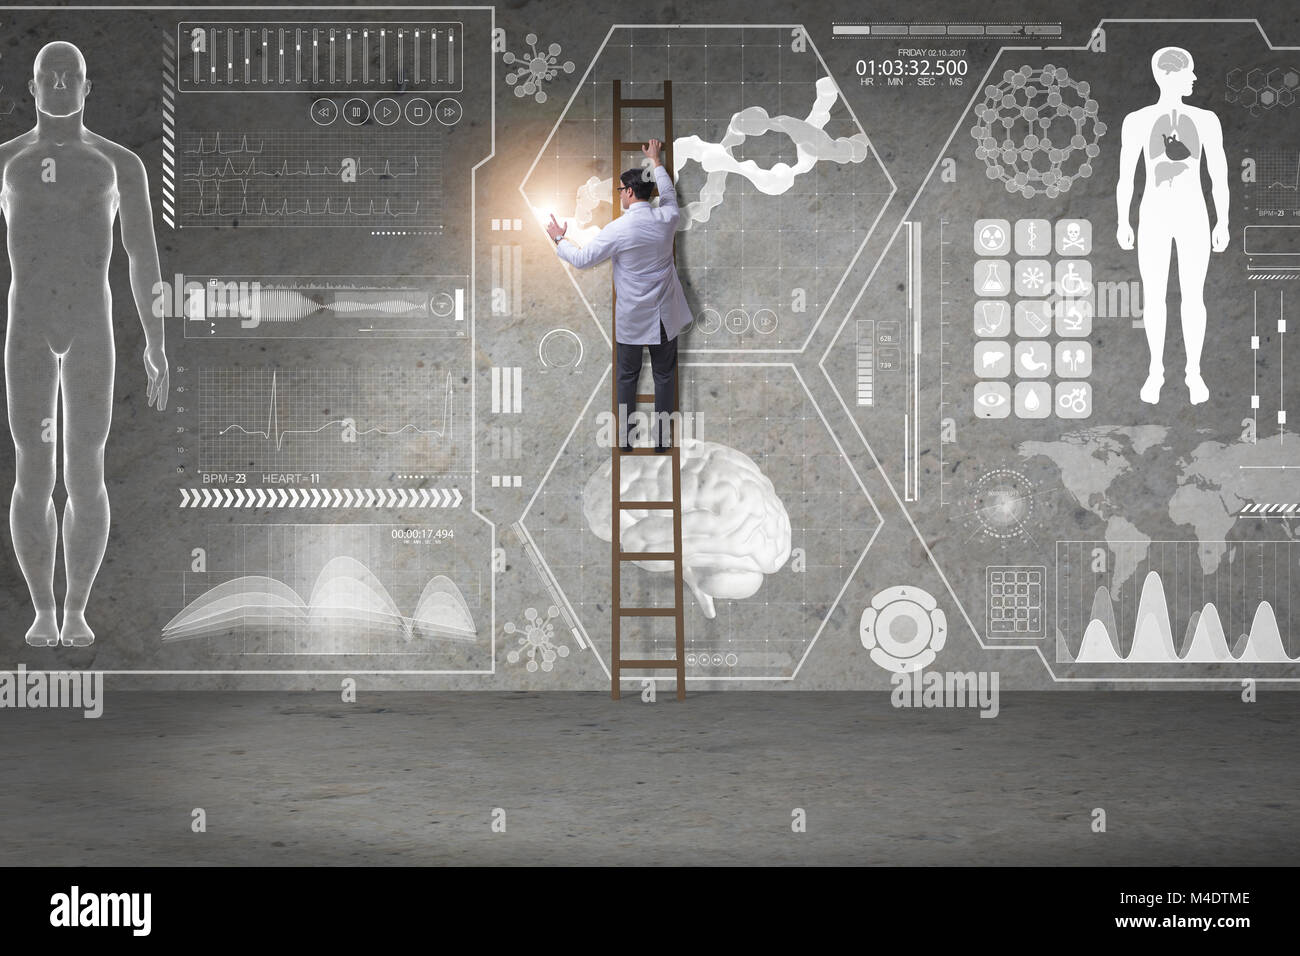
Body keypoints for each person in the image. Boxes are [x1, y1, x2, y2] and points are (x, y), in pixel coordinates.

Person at [1, 41, 168, 647]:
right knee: (33, 472)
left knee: (86, 471)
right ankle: (42, 610)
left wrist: (157, 340)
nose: (63, 82)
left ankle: (76, 609)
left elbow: (143, 258)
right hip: (28, 329)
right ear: (34, 84)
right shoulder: (7, 162)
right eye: (52, 74)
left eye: (73, 75)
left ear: (88, 88)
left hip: (92, 330)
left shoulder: (120, 164)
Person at [547, 138, 690, 452]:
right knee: (665, 377)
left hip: (632, 320)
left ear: (628, 192)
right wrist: (655, 159)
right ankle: (663, 441)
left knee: (627, 378)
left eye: (620, 191)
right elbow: (667, 194)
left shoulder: (618, 230)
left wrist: (560, 239)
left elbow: (583, 259)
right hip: (665, 316)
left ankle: (625, 440)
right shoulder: (668, 219)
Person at [1115, 46, 1229, 406]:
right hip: (1154, 215)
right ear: (1167, 75)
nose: (1195, 78)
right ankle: (1156, 371)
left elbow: (1219, 175)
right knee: (1154, 296)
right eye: (1188, 72)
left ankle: (1193, 372)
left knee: (1193, 296)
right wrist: (1123, 220)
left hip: (1194, 214)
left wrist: (1222, 219)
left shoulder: (1207, 120)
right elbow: (1125, 179)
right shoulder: (1137, 121)